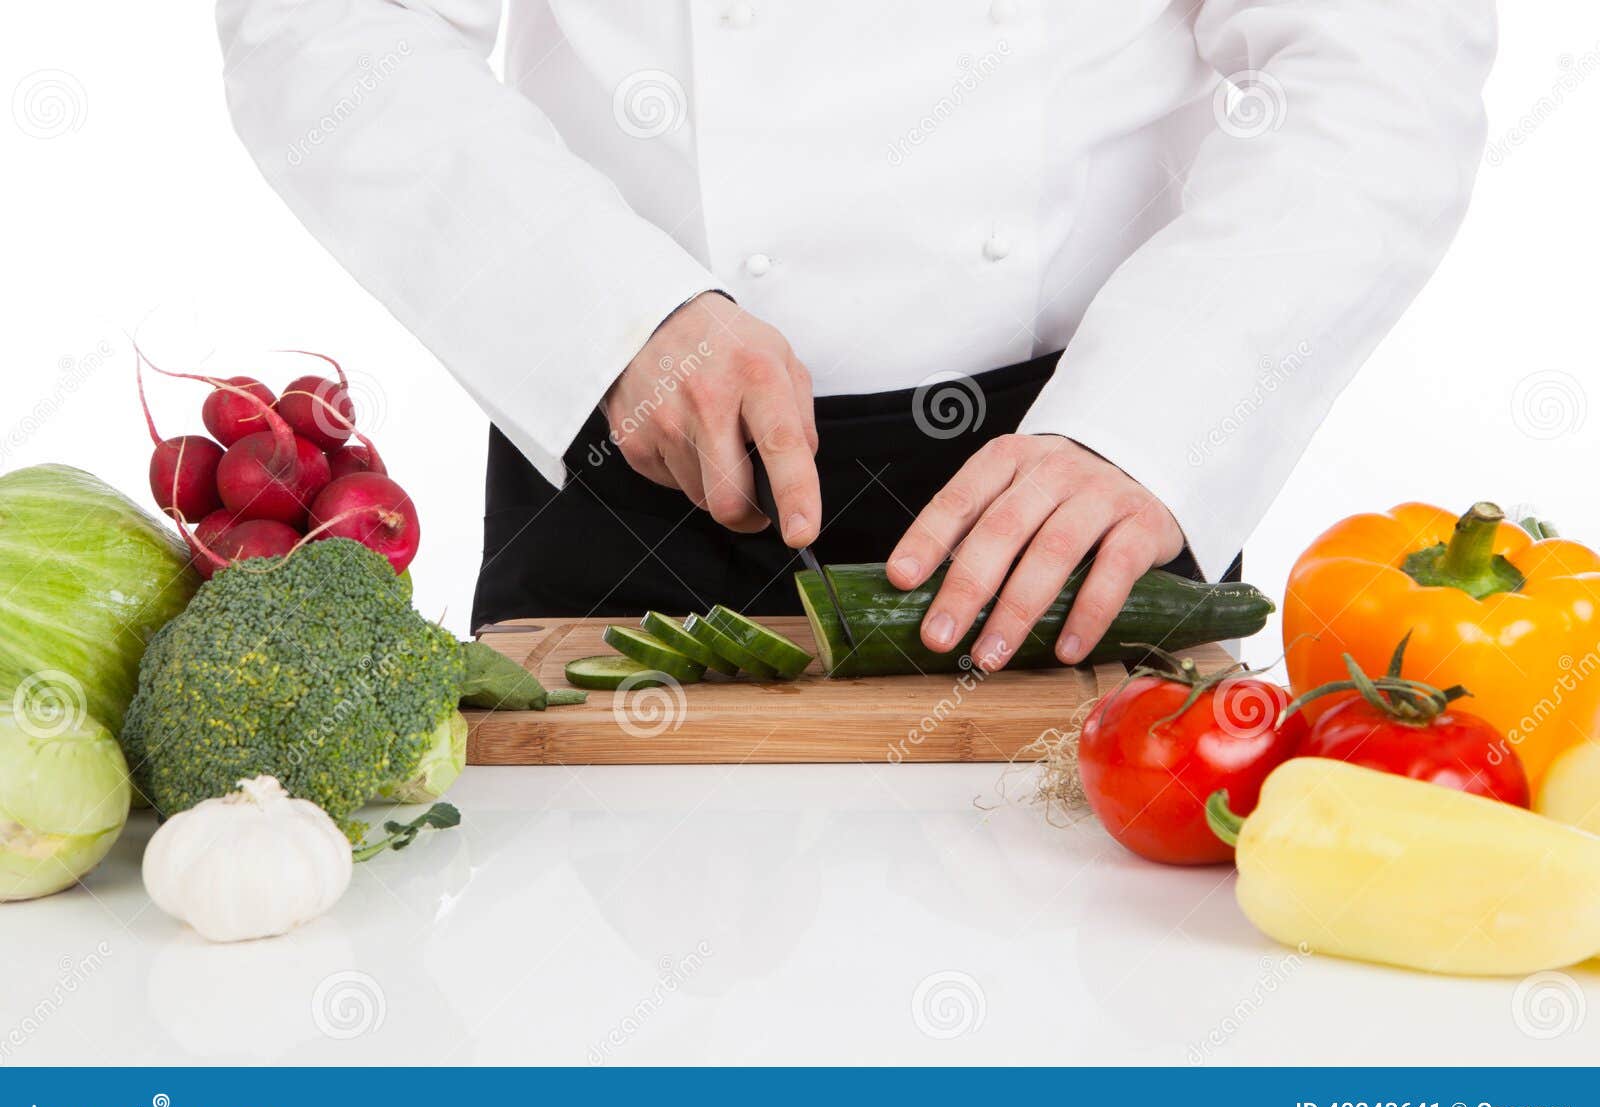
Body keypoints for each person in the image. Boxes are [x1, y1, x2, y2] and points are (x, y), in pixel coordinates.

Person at [218, 1, 1493, 670]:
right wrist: (604, 313)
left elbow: (1374, 57)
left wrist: (1164, 416)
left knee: (1096, 1005)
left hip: (1071, 481)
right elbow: (329, 19)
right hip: (626, 437)